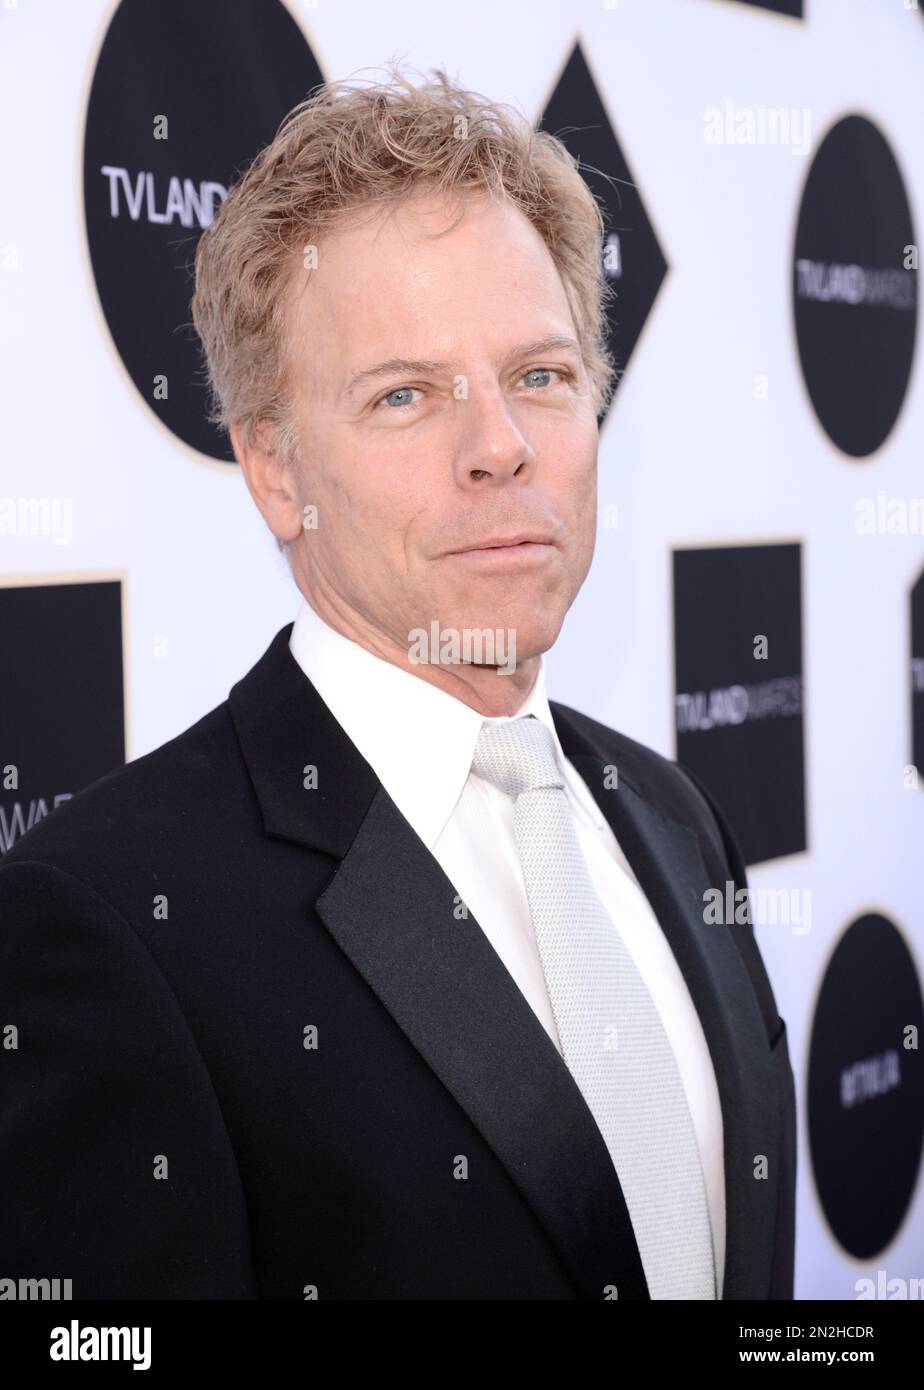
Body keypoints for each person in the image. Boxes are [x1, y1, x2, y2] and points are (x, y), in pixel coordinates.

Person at [0, 65, 795, 1300]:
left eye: (539, 375)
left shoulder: (672, 816)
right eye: (406, 395)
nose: (500, 446)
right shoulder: (109, 925)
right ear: (272, 466)